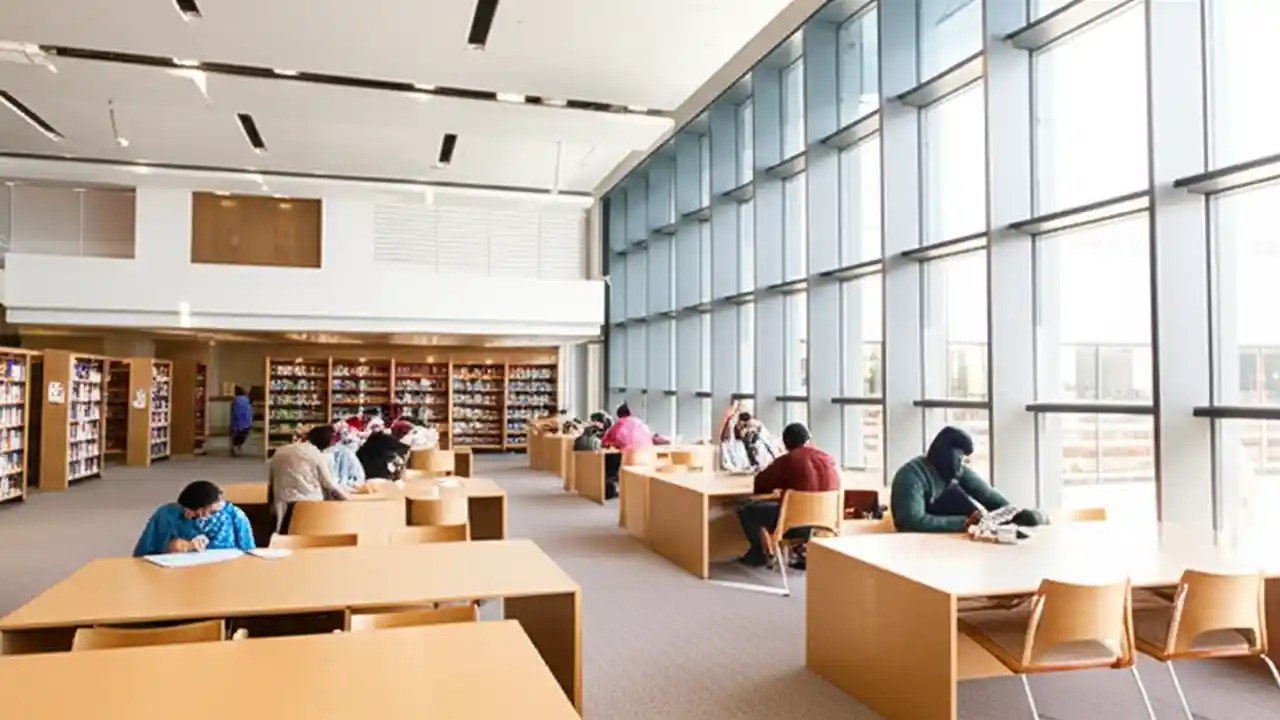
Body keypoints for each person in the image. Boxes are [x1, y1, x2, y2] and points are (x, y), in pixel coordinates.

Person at [890, 426, 1047, 532]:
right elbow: (911, 521)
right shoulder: (911, 478)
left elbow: (987, 495)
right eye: (961, 457)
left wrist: (1014, 514)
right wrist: (963, 523)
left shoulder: (955, 471)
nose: (964, 462)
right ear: (949, 456)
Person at [737, 422, 840, 568]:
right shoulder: (828, 459)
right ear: (808, 439)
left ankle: (760, 554)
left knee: (746, 508)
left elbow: (761, 483)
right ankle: (801, 551)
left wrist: (776, 491)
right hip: (826, 523)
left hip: (793, 524)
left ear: (786, 443)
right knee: (795, 510)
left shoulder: (788, 460)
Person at [133, 480, 255, 556]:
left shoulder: (235, 517)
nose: (187, 516)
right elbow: (143, 553)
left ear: (203, 511)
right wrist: (170, 547)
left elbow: (249, 554)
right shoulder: (167, 514)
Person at [268, 425, 351, 532]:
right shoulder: (316, 454)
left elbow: (272, 482)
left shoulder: (280, 451)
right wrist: (349, 500)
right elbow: (329, 484)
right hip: (309, 507)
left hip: (282, 506)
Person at [599, 404, 652, 499]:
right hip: (646, 454)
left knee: (608, 461)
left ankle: (610, 484)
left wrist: (610, 444)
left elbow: (604, 441)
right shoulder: (640, 422)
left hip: (628, 455)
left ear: (619, 415)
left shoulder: (620, 423)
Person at [230, 386, 252, 457]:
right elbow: (249, 411)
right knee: (244, 434)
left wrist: (232, 422)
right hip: (246, 421)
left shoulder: (235, 400)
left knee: (234, 434)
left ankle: (234, 447)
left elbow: (233, 412)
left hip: (237, 421)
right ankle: (239, 445)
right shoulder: (247, 399)